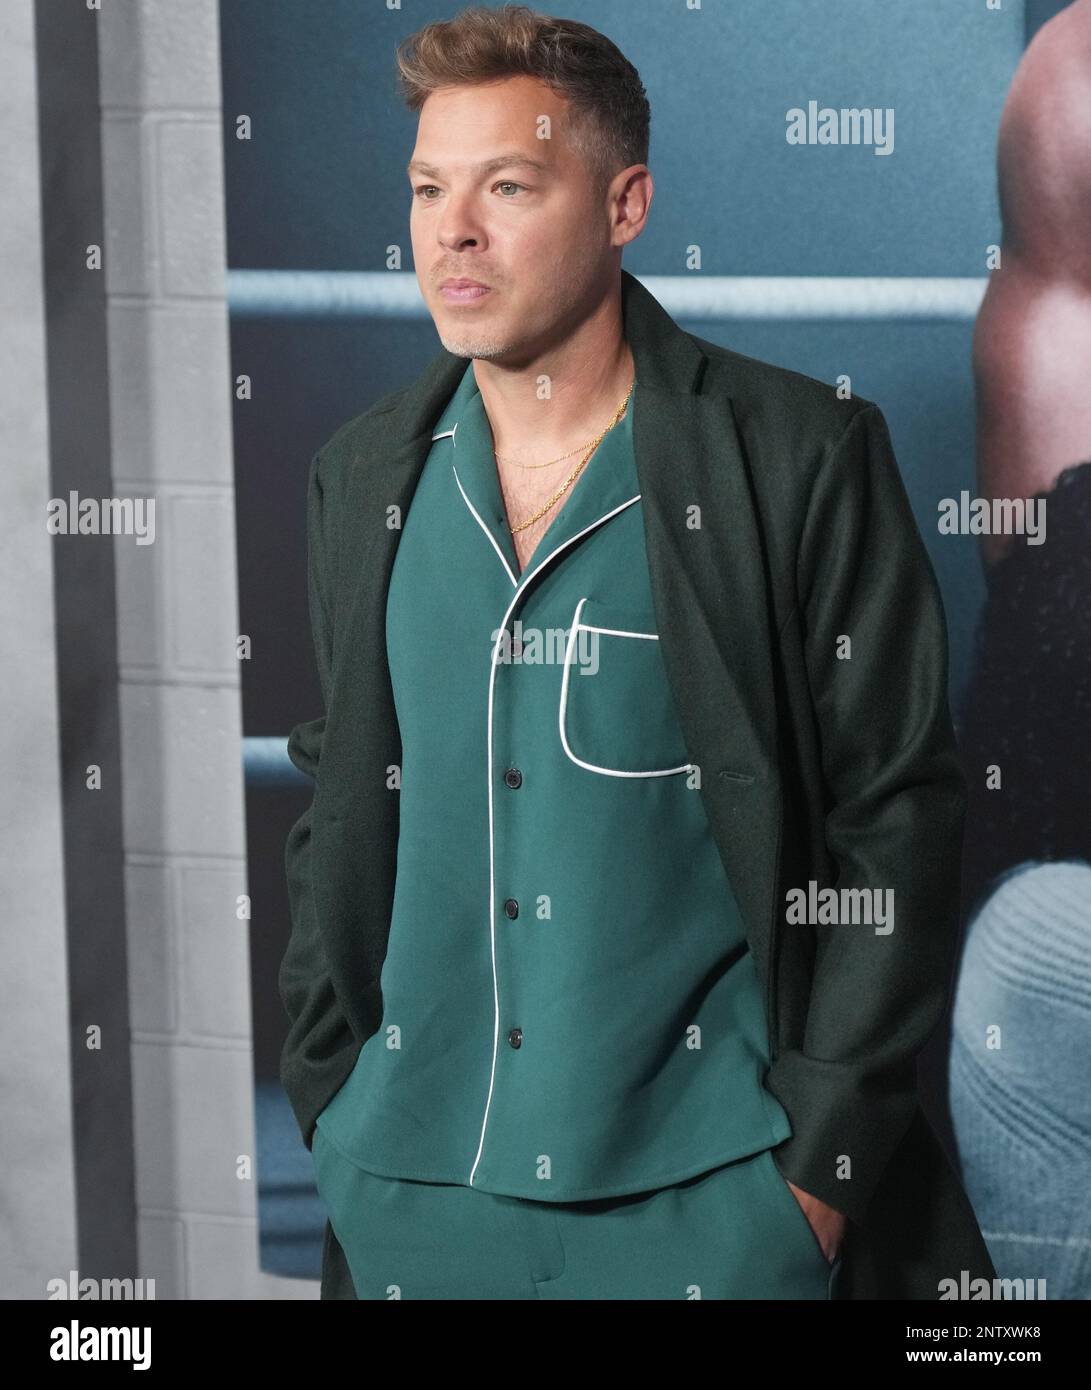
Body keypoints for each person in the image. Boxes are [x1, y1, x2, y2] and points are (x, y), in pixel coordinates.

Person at [279, 3, 995, 1300]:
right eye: (430, 189)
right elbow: (335, 793)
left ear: (625, 206)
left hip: (713, 1212)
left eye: (508, 184)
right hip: (410, 1206)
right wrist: (333, 1102)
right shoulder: (361, 476)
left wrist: (815, 1185)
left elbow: (897, 818)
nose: (455, 231)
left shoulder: (797, 458)